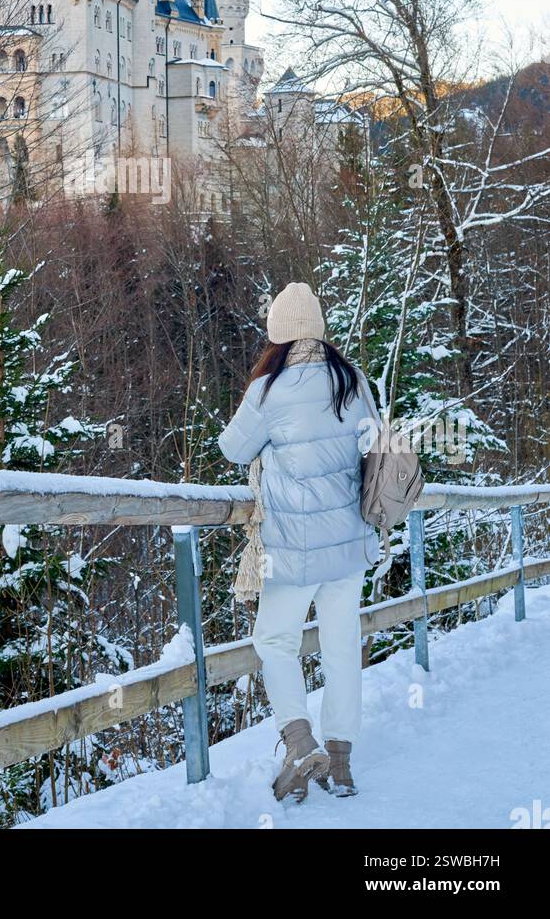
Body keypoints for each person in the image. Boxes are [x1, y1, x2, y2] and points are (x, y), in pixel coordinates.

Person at [218, 282, 380, 802]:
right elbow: (374, 443)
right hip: (350, 544)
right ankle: (341, 763)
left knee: (274, 641)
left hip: (290, 549)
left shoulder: (269, 389)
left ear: (278, 336)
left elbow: (233, 449)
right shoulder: (351, 379)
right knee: (339, 648)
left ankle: (297, 741)